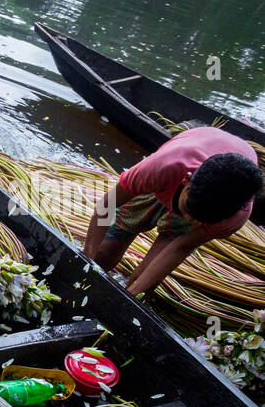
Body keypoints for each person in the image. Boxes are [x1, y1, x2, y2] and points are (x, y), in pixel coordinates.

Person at [83, 126, 264, 295]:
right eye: (187, 211)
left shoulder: (233, 216)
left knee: (143, 281)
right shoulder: (162, 168)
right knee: (103, 254)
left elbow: (181, 247)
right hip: (165, 186)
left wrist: (129, 299)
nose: (189, 219)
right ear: (187, 180)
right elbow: (108, 204)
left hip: (202, 198)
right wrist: (86, 262)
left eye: (199, 220)